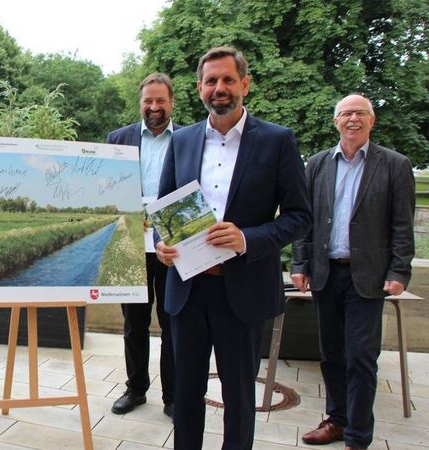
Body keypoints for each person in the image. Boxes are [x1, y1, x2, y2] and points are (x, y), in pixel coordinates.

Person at [155, 46, 311, 449]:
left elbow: (299, 216)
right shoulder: (182, 140)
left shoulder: (277, 140)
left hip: (243, 291)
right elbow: (162, 213)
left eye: (227, 79)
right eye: (211, 81)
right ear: (199, 88)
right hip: (188, 291)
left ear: (245, 84)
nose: (219, 88)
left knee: (239, 397)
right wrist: (162, 245)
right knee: (185, 394)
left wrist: (247, 239)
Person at [291, 94, 415, 450]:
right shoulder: (316, 165)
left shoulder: (394, 165)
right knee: (330, 353)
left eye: (360, 113)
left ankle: (358, 436)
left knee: (360, 356)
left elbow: (402, 225)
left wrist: (399, 271)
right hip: (325, 273)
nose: (353, 120)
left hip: (369, 276)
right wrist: (299, 264)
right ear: (336, 122)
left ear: (371, 120)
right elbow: (304, 222)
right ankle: (337, 420)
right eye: (346, 114)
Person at [106, 73, 179, 418]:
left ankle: (173, 396)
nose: (153, 107)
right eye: (148, 101)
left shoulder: (188, 139)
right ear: (141, 103)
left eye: (160, 101)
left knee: (172, 322)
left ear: (171, 103)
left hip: (172, 245)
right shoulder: (117, 139)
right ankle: (136, 388)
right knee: (134, 322)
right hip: (131, 242)